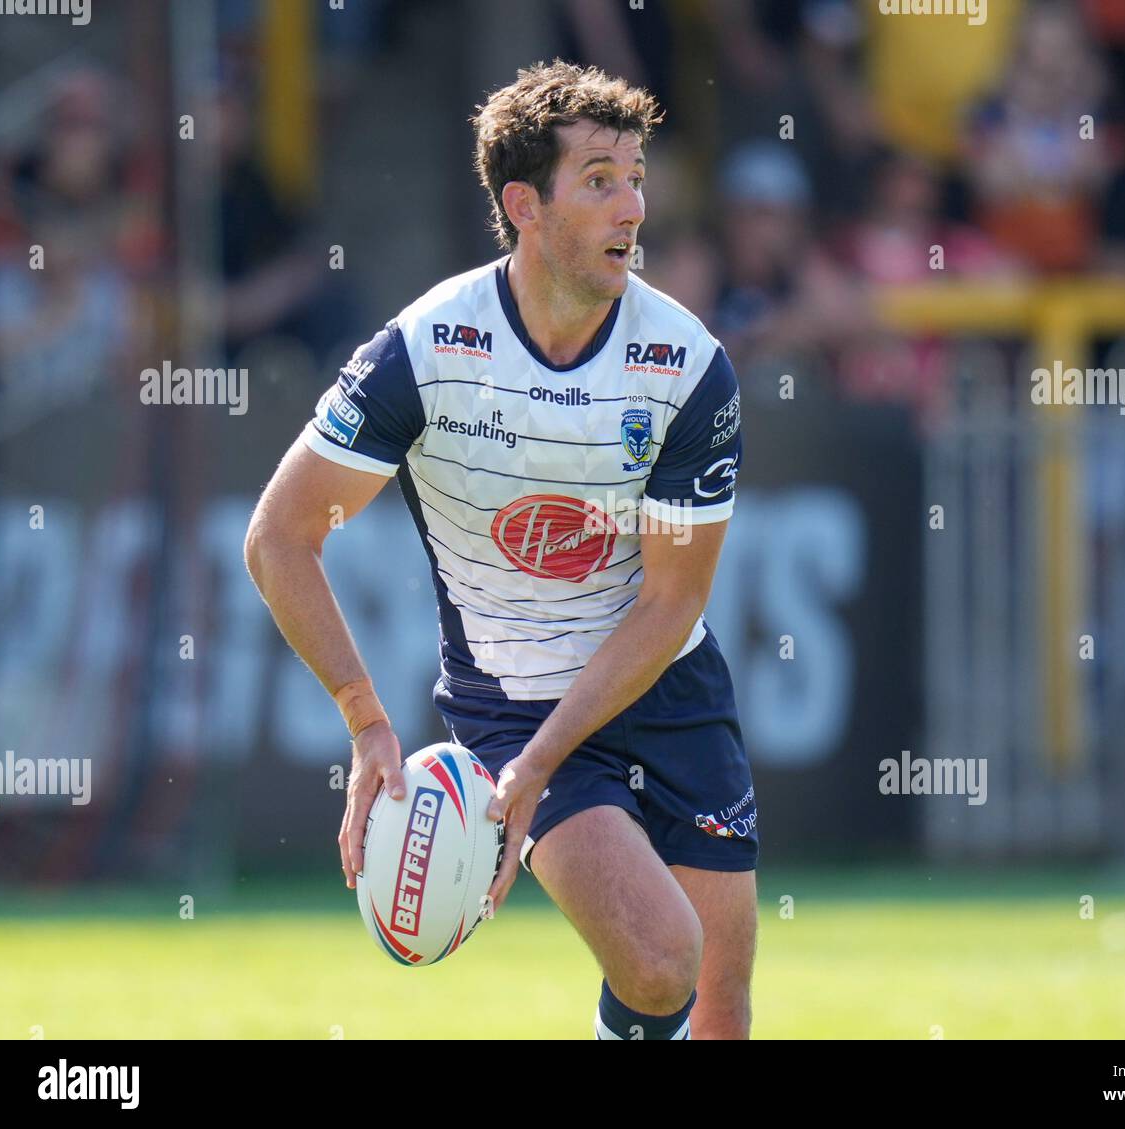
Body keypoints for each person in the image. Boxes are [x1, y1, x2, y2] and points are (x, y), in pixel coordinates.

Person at [243, 60, 756, 1041]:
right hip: (511, 702)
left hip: (667, 685)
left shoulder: (689, 365)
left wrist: (541, 762)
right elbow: (280, 537)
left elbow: (670, 602)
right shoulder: (429, 349)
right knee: (658, 961)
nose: (633, 206)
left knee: (721, 1003)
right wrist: (364, 717)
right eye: (600, 179)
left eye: (638, 177)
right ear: (524, 204)